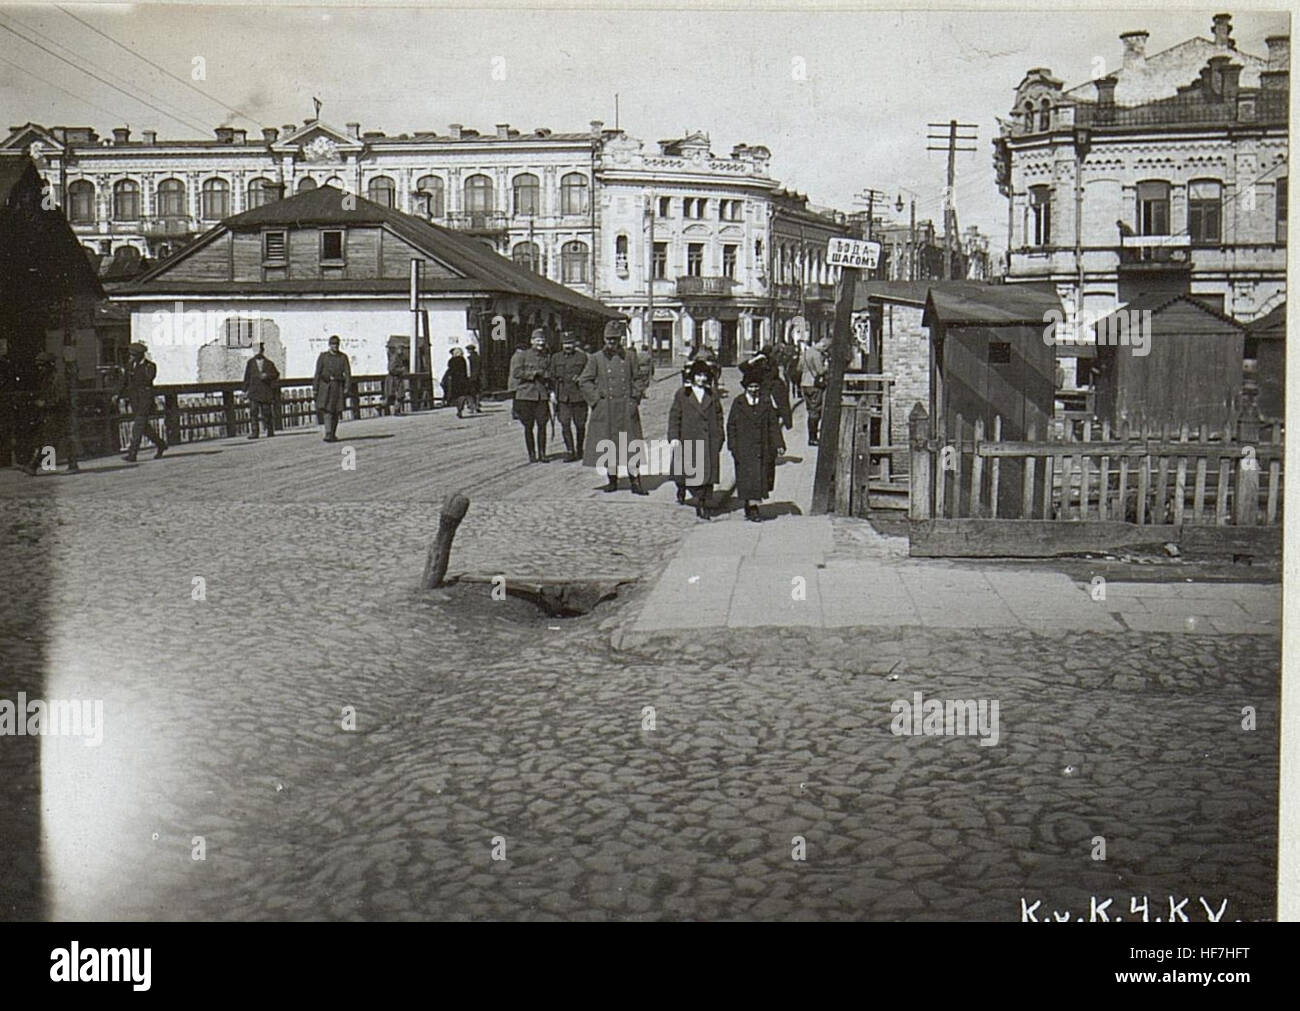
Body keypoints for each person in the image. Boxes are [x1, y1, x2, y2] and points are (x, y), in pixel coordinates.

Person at [579, 319, 648, 494]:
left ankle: (635, 481)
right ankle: (612, 480)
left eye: (615, 339)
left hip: (626, 406)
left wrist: (634, 398)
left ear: (621, 340)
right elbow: (584, 381)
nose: (612, 343)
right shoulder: (595, 359)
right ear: (604, 339)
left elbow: (639, 379)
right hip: (607, 408)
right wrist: (596, 400)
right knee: (609, 444)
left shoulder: (630, 357)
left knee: (631, 444)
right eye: (609, 339)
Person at [727, 360, 784, 522]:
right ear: (745, 387)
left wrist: (779, 444)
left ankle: (752, 505)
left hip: (762, 447)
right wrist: (732, 446)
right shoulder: (738, 403)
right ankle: (752, 508)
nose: (753, 390)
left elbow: (773, 425)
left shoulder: (765, 402)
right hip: (743, 448)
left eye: (756, 386)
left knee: (759, 479)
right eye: (750, 387)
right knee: (747, 479)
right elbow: (731, 425)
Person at [668, 359, 724, 519]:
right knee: (689, 472)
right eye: (698, 375)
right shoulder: (683, 394)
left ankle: (703, 503)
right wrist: (673, 437)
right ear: (692, 377)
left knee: (707, 475)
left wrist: (720, 435)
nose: (701, 379)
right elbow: (674, 417)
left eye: (704, 375)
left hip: (709, 439)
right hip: (688, 438)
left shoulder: (712, 394)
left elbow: (719, 415)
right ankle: (687, 493)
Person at [25, 351, 78, 475]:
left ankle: (33, 466)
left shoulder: (59, 378)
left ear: (49, 365)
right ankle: (71, 464)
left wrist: (45, 403)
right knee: (55, 440)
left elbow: (61, 398)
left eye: (42, 366)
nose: (40, 368)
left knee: (52, 440)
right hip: (51, 413)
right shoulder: (47, 378)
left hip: (59, 413)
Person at [509, 328, 553, 462]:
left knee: (542, 425)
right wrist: (533, 374)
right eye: (537, 340)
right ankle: (532, 454)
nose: (540, 343)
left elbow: (550, 373)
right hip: (526, 395)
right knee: (528, 426)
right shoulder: (522, 355)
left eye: (542, 340)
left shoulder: (547, 356)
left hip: (541, 396)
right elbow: (516, 372)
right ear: (531, 341)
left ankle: (542, 453)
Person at [118, 341, 166, 462]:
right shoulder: (129, 366)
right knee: (144, 428)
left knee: (138, 427)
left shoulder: (149, 366)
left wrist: (137, 369)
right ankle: (160, 444)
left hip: (145, 400)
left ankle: (132, 454)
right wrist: (117, 395)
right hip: (135, 400)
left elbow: (148, 379)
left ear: (140, 355)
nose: (131, 357)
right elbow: (123, 382)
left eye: (134, 355)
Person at [550, 332, 588, 462]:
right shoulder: (555, 358)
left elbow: (590, 374)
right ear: (562, 344)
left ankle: (579, 448)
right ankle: (570, 450)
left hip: (579, 396)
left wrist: (581, 378)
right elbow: (552, 377)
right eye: (565, 343)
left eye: (570, 343)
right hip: (563, 397)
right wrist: (552, 393)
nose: (568, 346)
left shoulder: (583, 357)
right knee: (565, 423)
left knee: (580, 425)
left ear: (574, 344)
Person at [313, 334, 351, 443]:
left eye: (337, 344)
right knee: (327, 411)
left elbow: (348, 373)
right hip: (326, 387)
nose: (335, 346)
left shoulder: (343, 357)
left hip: (338, 386)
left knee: (336, 411)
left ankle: (333, 433)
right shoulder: (323, 356)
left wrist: (347, 387)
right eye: (333, 344)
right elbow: (317, 373)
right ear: (329, 345)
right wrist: (315, 387)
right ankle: (328, 433)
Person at [243, 342, 280, 438]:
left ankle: (270, 430)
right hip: (254, 391)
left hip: (265, 391)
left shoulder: (269, 363)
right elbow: (247, 377)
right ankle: (255, 432)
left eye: (259, 350)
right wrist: (244, 390)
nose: (257, 352)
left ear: (262, 351)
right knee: (253, 412)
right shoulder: (250, 363)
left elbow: (276, 374)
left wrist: (267, 376)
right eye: (255, 350)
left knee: (266, 412)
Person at [800, 336, 830, 446]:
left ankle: (811, 436)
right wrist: (826, 365)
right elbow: (820, 371)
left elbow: (799, 368)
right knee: (815, 410)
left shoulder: (806, 352)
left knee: (810, 410)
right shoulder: (817, 354)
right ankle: (812, 438)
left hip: (804, 383)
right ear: (823, 346)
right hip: (814, 384)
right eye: (825, 349)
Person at [441, 347, 473, 418]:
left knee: (456, 396)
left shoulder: (451, 361)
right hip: (463, 379)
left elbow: (450, 369)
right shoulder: (463, 360)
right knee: (462, 395)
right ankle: (460, 409)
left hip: (455, 380)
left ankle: (458, 409)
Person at [384, 345, 408, 416]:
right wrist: (401, 370)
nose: (402, 351)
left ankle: (396, 410)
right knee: (398, 395)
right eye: (401, 349)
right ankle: (395, 411)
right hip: (394, 379)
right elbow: (391, 369)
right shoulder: (395, 358)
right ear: (398, 350)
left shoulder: (399, 357)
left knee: (399, 395)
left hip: (397, 379)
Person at [465, 342, 482, 413]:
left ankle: (472, 407)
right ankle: (477, 405)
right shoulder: (478, 357)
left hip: (471, 377)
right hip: (477, 377)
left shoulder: (469, 358)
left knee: (470, 393)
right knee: (477, 392)